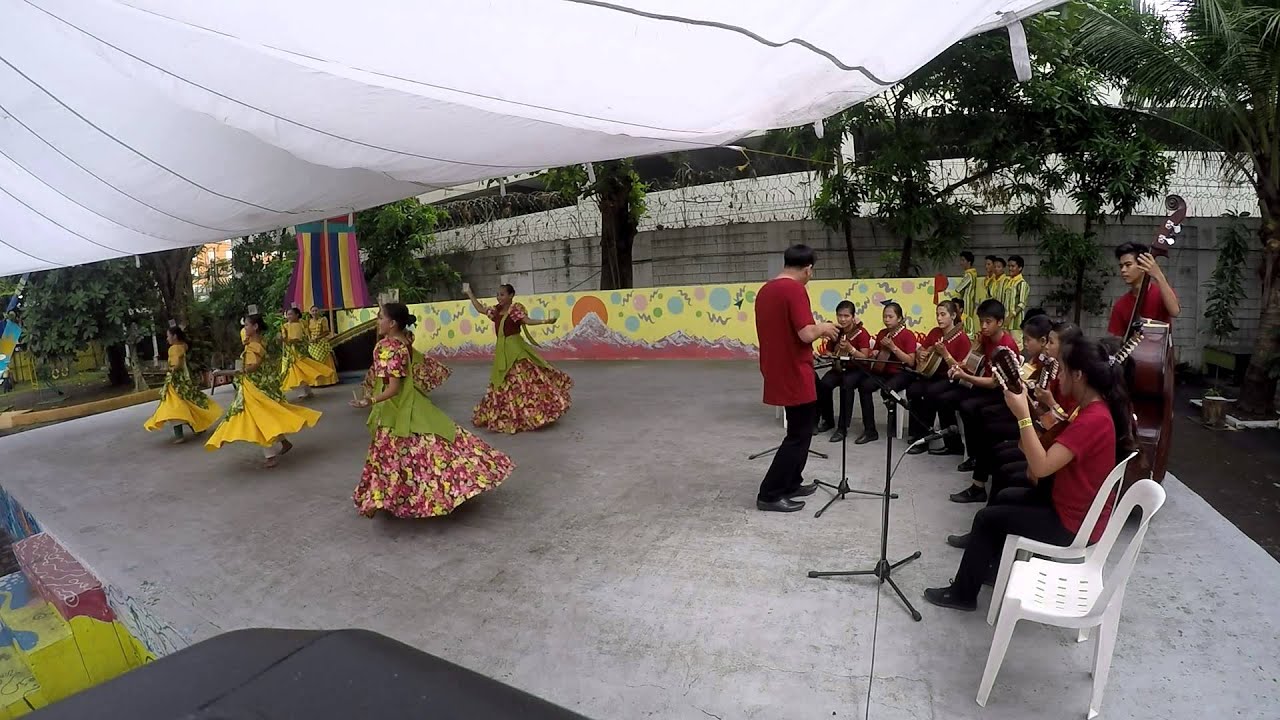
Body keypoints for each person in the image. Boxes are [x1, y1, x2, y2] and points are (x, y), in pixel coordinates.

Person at [923, 336, 1137, 611]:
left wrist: (1023, 414)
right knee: (1006, 496)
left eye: (1061, 369)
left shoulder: (1093, 419)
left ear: (1079, 375)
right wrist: (1026, 413)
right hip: (1070, 507)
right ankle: (988, 568)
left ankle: (963, 595)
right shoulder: (1093, 409)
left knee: (987, 518)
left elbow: (1041, 466)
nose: (1058, 377)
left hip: (1072, 525)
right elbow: (1034, 451)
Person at [350, 302, 514, 519]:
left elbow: (392, 388)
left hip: (394, 408)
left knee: (392, 455)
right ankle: (412, 494)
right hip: (410, 401)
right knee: (425, 448)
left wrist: (369, 400)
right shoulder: (403, 341)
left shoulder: (387, 347)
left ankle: (384, 498)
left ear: (392, 323)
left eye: (380, 317)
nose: (377, 321)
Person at [753, 244, 839, 513]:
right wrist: (824, 328)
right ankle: (770, 493)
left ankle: (792, 482)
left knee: (801, 427)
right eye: (812, 271)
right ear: (808, 268)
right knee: (799, 434)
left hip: (778, 366)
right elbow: (805, 334)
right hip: (794, 369)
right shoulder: (794, 290)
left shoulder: (766, 290)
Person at [206, 314, 322, 468]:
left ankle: (270, 455)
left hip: (254, 389)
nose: (245, 328)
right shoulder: (258, 342)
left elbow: (250, 369)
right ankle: (284, 443)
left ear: (255, 327)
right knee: (264, 417)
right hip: (255, 387)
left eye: (247, 325)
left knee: (260, 420)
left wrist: (223, 373)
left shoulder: (254, 346)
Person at [933, 299, 1020, 502]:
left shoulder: (1006, 346)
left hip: (1002, 395)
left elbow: (993, 383)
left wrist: (965, 377)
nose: (983, 326)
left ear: (1000, 322)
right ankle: (970, 454)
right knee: (957, 402)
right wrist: (972, 352)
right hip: (986, 389)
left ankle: (979, 479)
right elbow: (972, 363)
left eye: (988, 322)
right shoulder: (986, 339)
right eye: (981, 321)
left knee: (979, 417)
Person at [465, 283, 572, 433]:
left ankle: (534, 414)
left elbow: (527, 321)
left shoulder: (515, 310)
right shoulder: (495, 311)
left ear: (511, 295)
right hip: (502, 351)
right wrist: (469, 293)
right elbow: (480, 309)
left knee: (524, 382)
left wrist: (545, 321)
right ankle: (509, 416)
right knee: (503, 384)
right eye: (498, 294)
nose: (499, 297)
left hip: (516, 349)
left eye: (502, 294)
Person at [906, 300, 972, 454]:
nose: (939, 318)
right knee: (914, 390)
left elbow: (963, 368)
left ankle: (925, 439)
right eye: (937, 314)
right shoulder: (935, 332)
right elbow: (922, 349)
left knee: (931, 393)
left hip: (951, 379)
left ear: (953, 316)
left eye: (943, 314)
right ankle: (917, 432)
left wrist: (945, 354)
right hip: (932, 374)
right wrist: (921, 354)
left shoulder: (961, 338)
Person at [850, 301, 918, 444]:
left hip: (902, 372)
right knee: (864, 386)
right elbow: (879, 356)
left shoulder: (908, 335)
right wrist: (874, 353)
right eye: (884, 317)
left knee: (888, 389)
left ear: (899, 319)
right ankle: (870, 430)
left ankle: (894, 420)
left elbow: (910, 361)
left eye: (890, 317)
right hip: (883, 371)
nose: (886, 319)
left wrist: (893, 348)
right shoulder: (882, 334)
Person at [144, 323, 224, 444]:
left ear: (175, 336)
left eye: (168, 336)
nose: (167, 339)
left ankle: (180, 435)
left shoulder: (174, 348)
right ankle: (197, 427)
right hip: (184, 380)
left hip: (175, 381)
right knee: (187, 404)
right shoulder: (183, 346)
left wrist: (170, 369)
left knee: (174, 408)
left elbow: (177, 365)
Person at [814, 300, 874, 442]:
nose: (842, 319)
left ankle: (842, 428)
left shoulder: (862, 333)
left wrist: (850, 349)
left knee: (846, 386)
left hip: (857, 369)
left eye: (846, 316)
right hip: (839, 368)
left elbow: (865, 358)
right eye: (840, 316)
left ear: (853, 317)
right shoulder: (836, 331)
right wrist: (828, 355)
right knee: (824, 384)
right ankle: (828, 420)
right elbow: (829, 350)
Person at [1107, 242, 1181, 336]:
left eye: (1128, 265)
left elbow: (1175, 311)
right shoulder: (1120, 305)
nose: (1123, 270)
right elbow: (1116, 340)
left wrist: (1158, 275)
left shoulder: (1161, 292)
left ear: (1142, 266)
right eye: (1121, 266)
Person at [281, 306, 338, 398]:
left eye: (291, 314)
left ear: (297, 315)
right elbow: (285, 339)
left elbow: (301, 337)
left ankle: (306, 390)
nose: (289, 316)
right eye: (287, 314)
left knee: (304, 369)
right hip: (292, 351)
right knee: (296, 370)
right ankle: (305, 390)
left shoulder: (301, 324)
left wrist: (306, 342)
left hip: (300, 351)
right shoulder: (285, 326)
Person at [305, 306, 340, 384]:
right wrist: (310, 340)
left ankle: (328, 381)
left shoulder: (323, 320)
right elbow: (308, 332)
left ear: (319, 312)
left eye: (316, 310)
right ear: (310, 312)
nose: (314, 312)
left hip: (321, 342)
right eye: (313, 311)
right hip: (312, 344)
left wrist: (318, 338)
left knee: (325, 360)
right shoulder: (308, 321)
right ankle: (317, 382)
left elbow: (326, 332)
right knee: (315, 362)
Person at [951, 252, 981, 337]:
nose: (961, 263)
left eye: (963, 260)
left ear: (969, 262)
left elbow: (959, 288)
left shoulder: (969, 274)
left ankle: (969, 335)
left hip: (967, 300)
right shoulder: (973, 273)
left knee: (967, 317)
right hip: (969, 299)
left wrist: (953, 297)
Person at [1002, 255, 1030, 343]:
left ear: (1020, 268)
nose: (1010, 268)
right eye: (1009, 266)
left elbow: (1022, 304)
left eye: (1013, 266)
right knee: (1006, 343)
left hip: (1016, 322)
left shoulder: (1022, 283)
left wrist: (1010, 316)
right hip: (1006, 321)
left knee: (1017, 344)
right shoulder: (1008, 282)